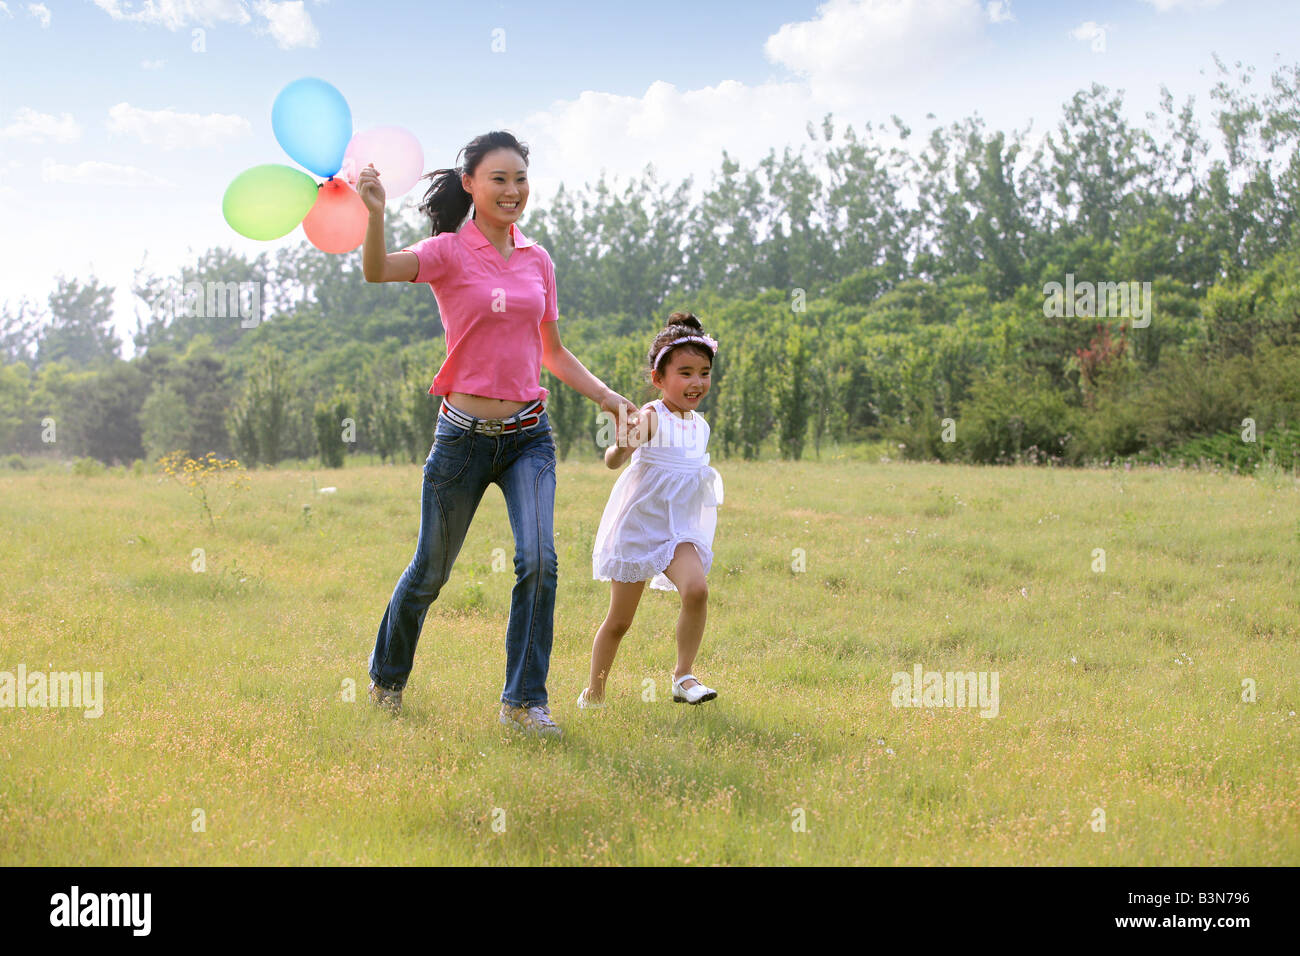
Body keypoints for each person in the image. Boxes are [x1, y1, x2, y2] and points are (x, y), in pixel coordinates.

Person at [357, 130, 639, 737]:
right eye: (499, 179)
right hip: (461, 440)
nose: (512, 190)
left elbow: (553, 352)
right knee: (430, 572)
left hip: (528, 437)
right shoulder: (447, 252)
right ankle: (386, 681)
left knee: (539, 561)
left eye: (520, 179)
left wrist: (608, 398)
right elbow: (377, 270)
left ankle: (523, 703)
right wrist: (375, 215)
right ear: (470, 185)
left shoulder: (539, 259)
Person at [579, 312, 724, 709]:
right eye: (685, 373)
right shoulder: (651, 417)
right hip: (640, 527)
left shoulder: (700, 426)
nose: (697, 382)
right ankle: (594, 693)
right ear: (659, 378)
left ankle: (684, 676)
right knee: (619, 621)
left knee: (697, 590)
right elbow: (613, 460)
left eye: (704, 373)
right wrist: (621, 443)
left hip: (679, 529)